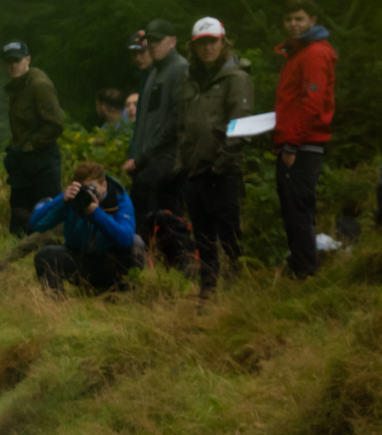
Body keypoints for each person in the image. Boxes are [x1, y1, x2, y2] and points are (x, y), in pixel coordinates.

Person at [177, 17, 255, 297]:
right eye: (202, 43)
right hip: (194, 172)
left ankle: (236, 293)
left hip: (222, 172)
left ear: (223, 42)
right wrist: (182, 167)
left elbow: (241, 128)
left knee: (230, 236)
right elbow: (182, 126)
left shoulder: (237, 78)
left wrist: (220, 165)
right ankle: (207, 293)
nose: (208, 47)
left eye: (213, 41)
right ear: (194, 46)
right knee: (204, 239)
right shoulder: (190, 80)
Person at [272, 0, 337, 279]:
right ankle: (301, 267)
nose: (293, 24)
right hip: (294, 143)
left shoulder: (314, 53)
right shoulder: (297, 53)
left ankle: (305, 272)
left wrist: (291, 145)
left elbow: (312, 105)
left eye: (299, 19)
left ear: (312, 20)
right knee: (292, 209)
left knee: (298, 209)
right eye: (289, 19)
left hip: (303, 146)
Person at [27, 162, 140, 292]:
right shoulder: (74, 200)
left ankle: (125, 290)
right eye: (82, 188)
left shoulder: (119, 200)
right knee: (45, 255)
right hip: (82, 262)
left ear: (104, 185)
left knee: (137, 244)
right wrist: (61, 200)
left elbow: (126, 239)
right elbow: (35, 225)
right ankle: (54, 304)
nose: (87, 193)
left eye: (91, 188)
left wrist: (96, 214)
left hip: (112, 265)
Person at [126, 19, 189, 230]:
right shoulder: (152, 74)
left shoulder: (180, 69)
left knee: (164, 219)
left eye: (158, 40)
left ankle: (179, 259)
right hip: (148, 160)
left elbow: (176, 119)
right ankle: (150, 259)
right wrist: (136, 155)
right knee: (149, 217)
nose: (153, 45)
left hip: (167, 159)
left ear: (173, 41)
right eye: (150, 40)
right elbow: (144, 123)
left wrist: (145, 154)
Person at [2, 41, 66, 235]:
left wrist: (29, 146)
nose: (13, 65)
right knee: (19, 223)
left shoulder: (39, 84)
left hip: (43, 163)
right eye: (9, 61)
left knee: (48, 220)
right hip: (25, 164)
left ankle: (50, 259)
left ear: (27, 59)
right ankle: (16, 261)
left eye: (17, 60)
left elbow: (55, 124)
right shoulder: (18, 86)